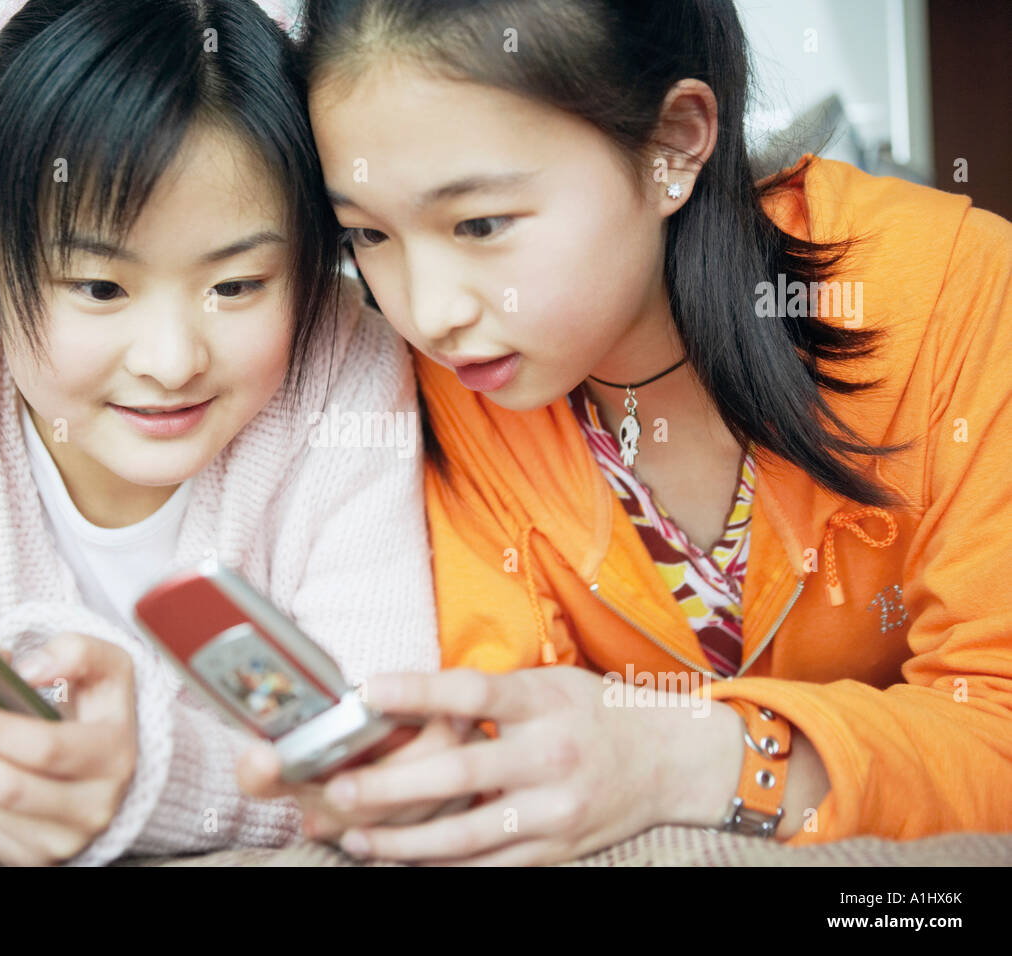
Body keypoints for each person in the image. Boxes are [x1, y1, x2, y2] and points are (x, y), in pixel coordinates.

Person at [238, 0, 1012, 864]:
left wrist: (684, 758)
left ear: (672, 144)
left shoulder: (956, 292)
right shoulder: (439, 383)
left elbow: (999, 720)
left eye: (481, 224)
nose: (428, 312)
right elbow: (500, 713)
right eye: (368, 235)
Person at [0, 0, 443, 866]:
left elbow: (373, 750)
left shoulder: (347, 367)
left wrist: (145, 776)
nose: (169, 361)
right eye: (99, 287)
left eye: (236, 286)